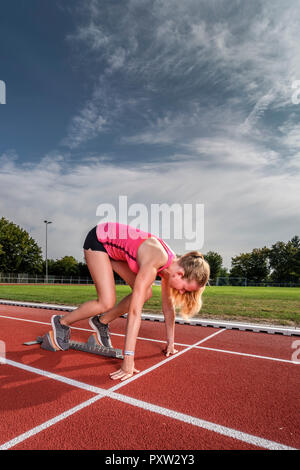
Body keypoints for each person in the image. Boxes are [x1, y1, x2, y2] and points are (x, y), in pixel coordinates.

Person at [50, 222, 210, 381]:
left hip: (116, 251)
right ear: (180, 274)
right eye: (185, 289)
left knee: (146, 292)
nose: (181, 292)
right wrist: (128, 359)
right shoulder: (156, 259)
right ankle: (61, 322)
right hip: (99, 240)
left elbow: (168, 309)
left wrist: (171, 343)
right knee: (106, 302)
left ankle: (101, 322)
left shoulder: (170, 268)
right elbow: (135, 311)